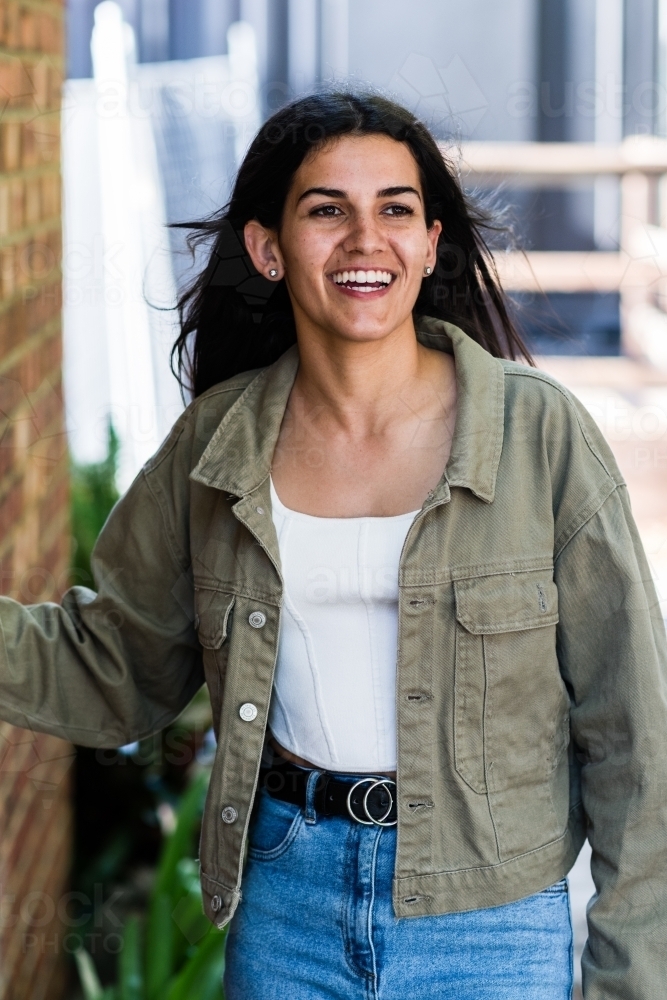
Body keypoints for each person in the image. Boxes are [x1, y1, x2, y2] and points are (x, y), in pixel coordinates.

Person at [1, 92, 666, 999]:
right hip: (288, 910)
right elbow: (111, 667)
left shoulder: (537, 435)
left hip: (488, 928)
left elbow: (636, 738)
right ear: (268, 249)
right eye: (326, 210)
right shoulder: (214, 448)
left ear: (430, 243)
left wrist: (632, 979)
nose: (365, 239)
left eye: (394, 209)